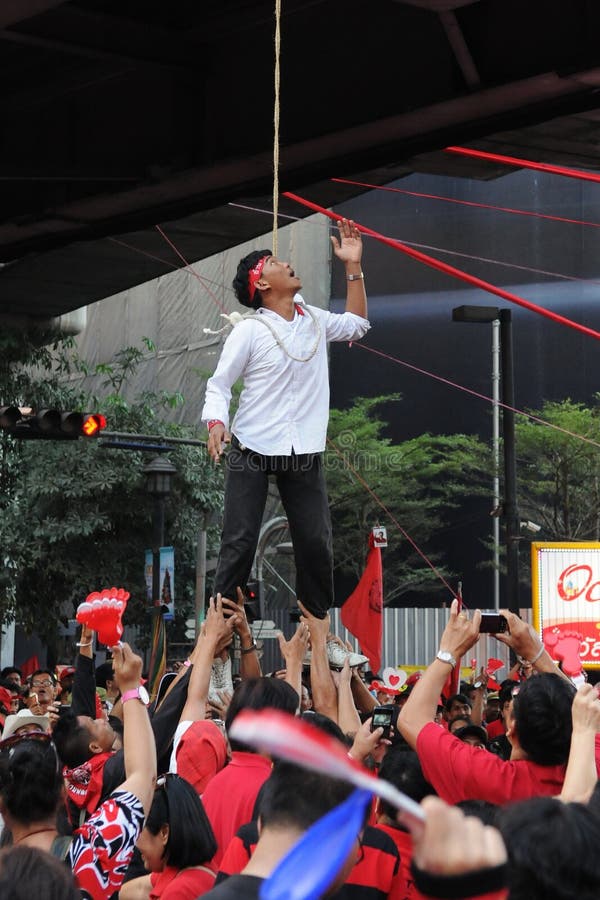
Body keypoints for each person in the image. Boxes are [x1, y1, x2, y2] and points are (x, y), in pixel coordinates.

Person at [202, 219, 370, 625]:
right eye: (276, 262)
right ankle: (219, 641)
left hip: (304, 449)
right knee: (239, 543)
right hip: (253, 448)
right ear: (262, 285)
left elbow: (357, 325)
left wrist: (353, 266)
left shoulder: (313, 318)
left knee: (315, 543)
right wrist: (216, 424)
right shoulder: (250, 331)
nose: (288, 262)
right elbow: (219, 384)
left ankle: (318, 635)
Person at [0, 642, 156, 899]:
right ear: (64, 792)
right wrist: (130, 687)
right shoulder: (92, 852)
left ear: (2, 804)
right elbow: (143, 773)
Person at [398, 600, 576, 804]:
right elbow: (584, 710)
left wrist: (448, 652)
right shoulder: (592, 766)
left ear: (512, 730)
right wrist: (537, 653)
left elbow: (411, 719)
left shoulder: (489, 778)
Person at [120, 774, 217, 899]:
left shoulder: (179, 891)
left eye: (140, 827)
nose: (135, 841)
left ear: (164, 833)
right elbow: (136, 889)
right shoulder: (196, 870)